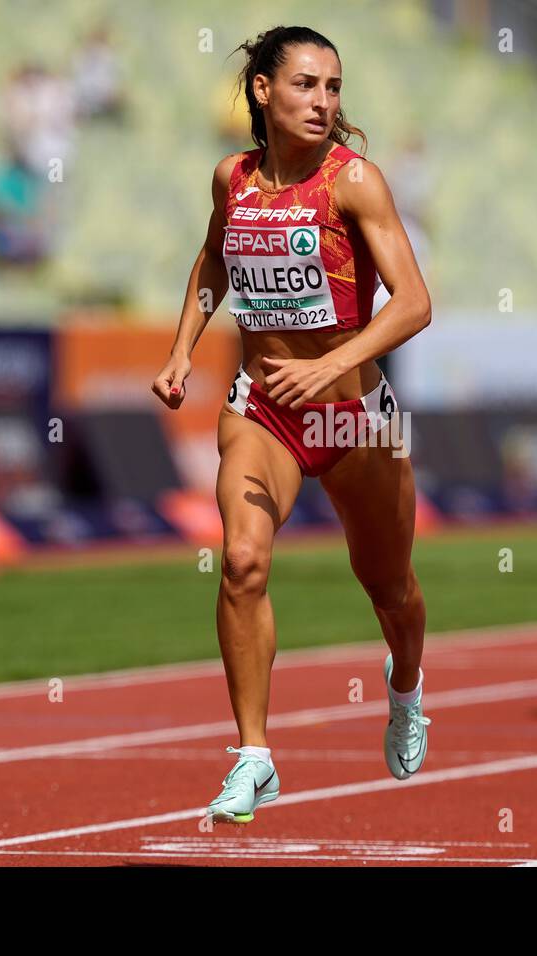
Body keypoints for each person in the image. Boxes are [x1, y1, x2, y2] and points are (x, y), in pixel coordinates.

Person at [151, 26, 433, 824]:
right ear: (264, 92)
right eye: (307, 84)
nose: (324, 101)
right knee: (241, 560)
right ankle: (253, 755)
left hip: (352, 418)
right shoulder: (231, 178)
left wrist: (329, 362)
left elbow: (414, 302)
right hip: (262, 408)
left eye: (334, 87)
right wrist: (182, 350)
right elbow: (213, 260)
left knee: (391, 587)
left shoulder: (357, 183)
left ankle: (406, 690)